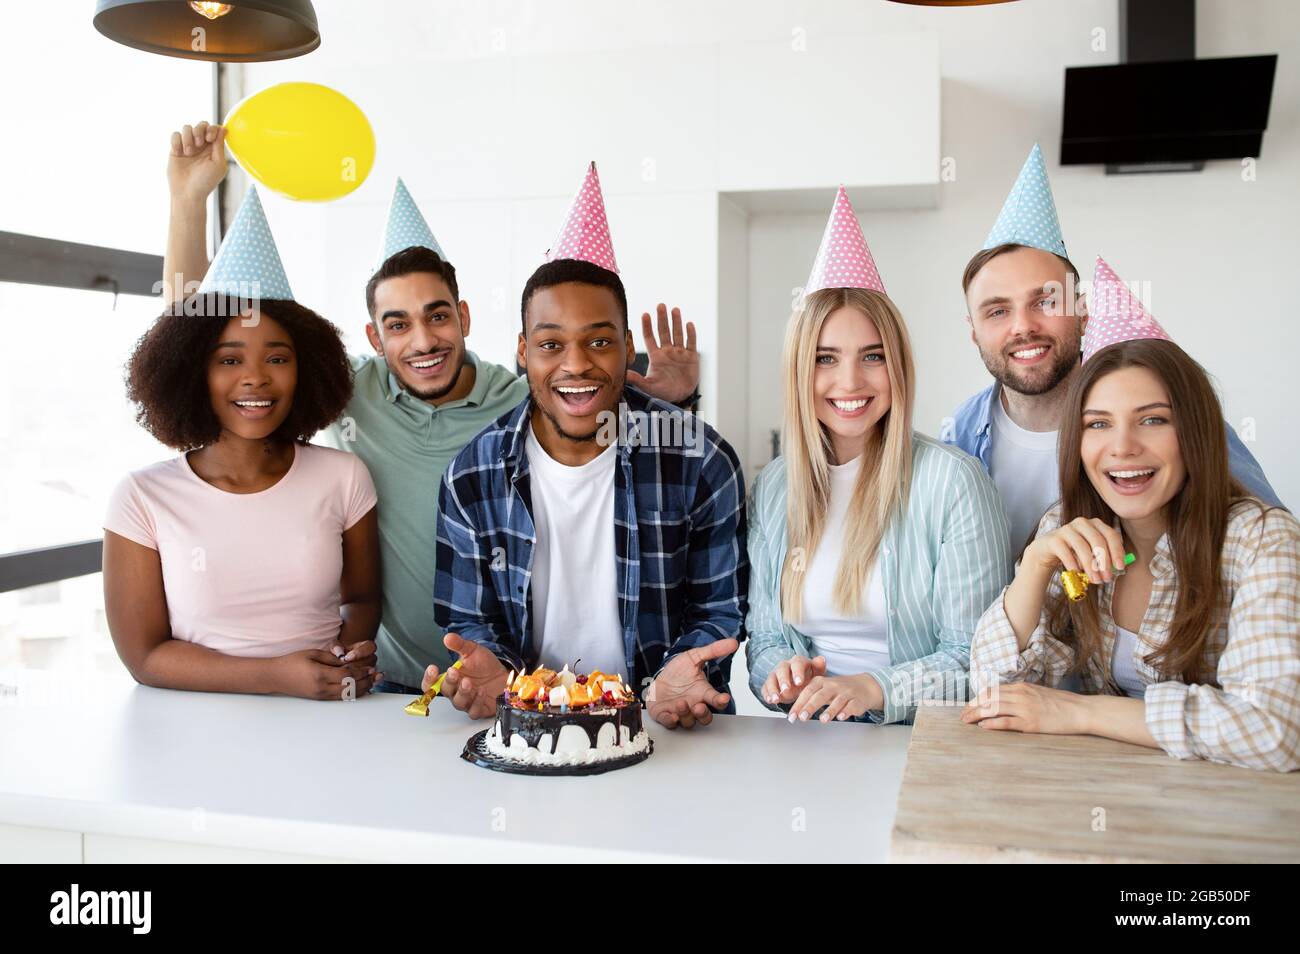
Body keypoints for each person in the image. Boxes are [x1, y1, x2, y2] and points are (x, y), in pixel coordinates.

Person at [161, 122, 701, 695]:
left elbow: (616, 431)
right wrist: (188, 202)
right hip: (392, 683)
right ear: (374, 337)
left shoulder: (520, 397)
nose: (423, 341)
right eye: (398, 324)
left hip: (509, 682)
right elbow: (199, 353)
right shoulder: (348, 392)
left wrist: (677, 402)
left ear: (464, 317)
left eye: (437, 315)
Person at [427, 164, 747, 730]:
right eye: (552, 344)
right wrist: (490, 669)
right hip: (527, 730)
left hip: (665, 731)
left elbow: (716, 608)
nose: (576, 365)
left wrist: (682, 676)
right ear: (523, 351)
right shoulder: (472, 475)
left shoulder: (701, 462)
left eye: (599, 341)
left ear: (627, 347)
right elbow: (471, 620)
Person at [964, 258, 1300, 772]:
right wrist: (1033, 568)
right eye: (1098, 424)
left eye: (1152, 420)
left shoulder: (1262, 541)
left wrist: (1082, 712)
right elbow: (996, 695)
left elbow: (1275, 731)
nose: (1122, 448)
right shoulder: (1070, 532)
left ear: (1195, 432)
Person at [104, 188, 383, 699]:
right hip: (194, 730)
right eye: (230, 360)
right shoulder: (142, 497)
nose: (256, 379)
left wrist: (349, 652)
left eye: (277, 358)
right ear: (192, 373)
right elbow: (144, 656)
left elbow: (362, 598)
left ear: (306, 370)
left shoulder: (343, 476)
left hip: (325, 720)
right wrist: (279, 677)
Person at [746, 188, 1010, 725]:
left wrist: (874, 688)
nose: (850, 382)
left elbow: (977, 661)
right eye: (825, 359)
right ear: (800, 371)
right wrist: (780, 673)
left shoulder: (953, 482)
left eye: (873, 357)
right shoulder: (775, 487)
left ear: (898, 367)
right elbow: (767, 638)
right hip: (810, 739)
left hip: (917, 745)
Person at [946, 144, 1281, 553]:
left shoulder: (1168, 414)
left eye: (1047, 301)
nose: (1023, 327)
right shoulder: (962, 432)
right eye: (997, 311)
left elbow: (1267, 539)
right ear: (974, 332)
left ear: (1083, 312)